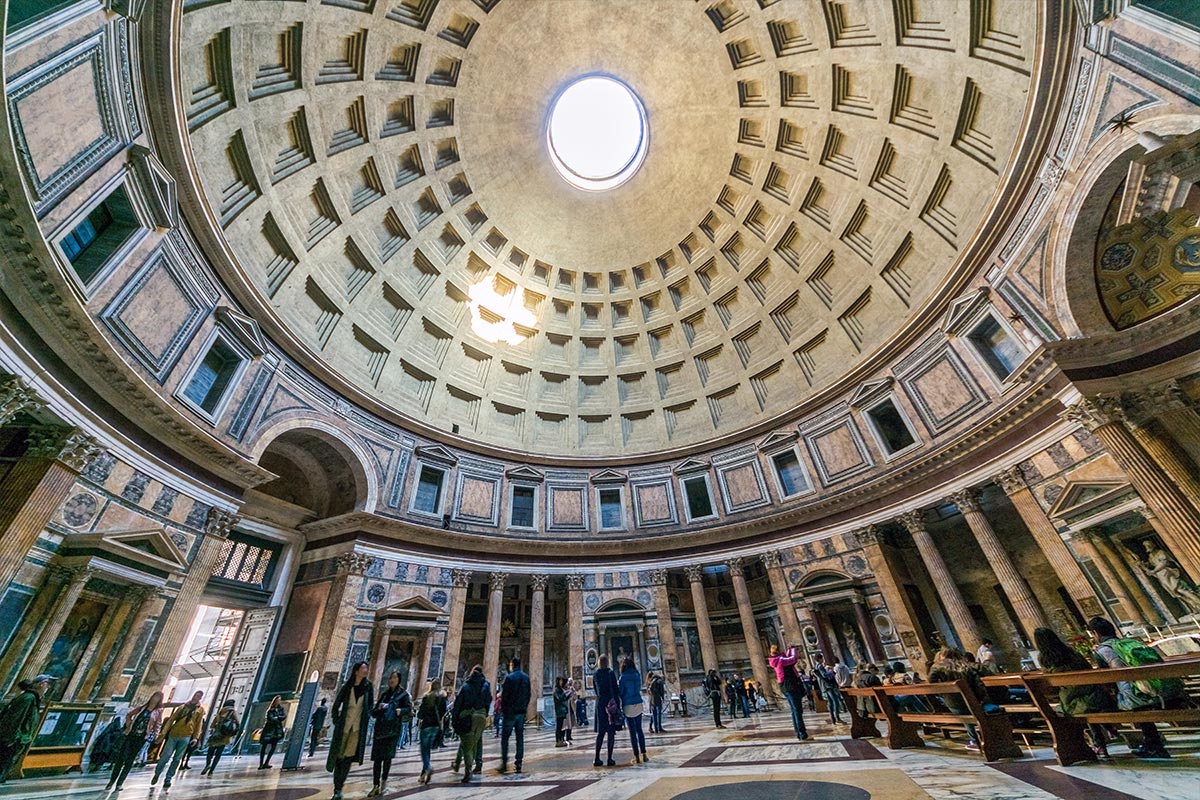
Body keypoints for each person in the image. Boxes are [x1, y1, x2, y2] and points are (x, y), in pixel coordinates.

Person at [1086, 617, 1179, 759]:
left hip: (1137, 696)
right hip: (1161, 689)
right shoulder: (1133, 642)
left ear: (1095, 633)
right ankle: (1151, 742)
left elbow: (1107, 679)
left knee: (1108, 702)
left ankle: (1148, 742)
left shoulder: (1101, 651)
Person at [1032, 627, 1115, 758]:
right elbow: (1088, 670)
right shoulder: (1071, 653)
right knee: (1087, 704)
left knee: (1075, 708)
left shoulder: (1045, 660)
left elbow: (1050, 687)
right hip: (1095, 697)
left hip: (1071, 702)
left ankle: (1098, 744)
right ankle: (1107, 731)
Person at [327, 661, 373, 800]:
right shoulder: (347, 687)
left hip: (357, 729)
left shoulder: (368, 687)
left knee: (347, 757)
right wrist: (337, 720)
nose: (366, 670)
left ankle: (339, 788)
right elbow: (336, 706)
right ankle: (337, 786)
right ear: (356, 671)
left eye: (366, 668)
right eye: (363, 668)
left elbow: (370, 706)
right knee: (338, 757)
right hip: (344, 727)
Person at [928, 647, 990, 751]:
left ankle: (975, 741)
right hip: (973, 698)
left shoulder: (937, 666)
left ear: (942, 655)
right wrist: (981, 697)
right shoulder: (966, 664)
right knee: (971, 711)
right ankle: (982, 738)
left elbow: (931, 682)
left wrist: (942, 693)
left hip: (953, 700)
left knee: (965, 713)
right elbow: (978, 682)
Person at [0, 674, 52, 784]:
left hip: (17, 738)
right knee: (3, 764)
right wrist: (12, 738)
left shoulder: (32, 698)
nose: (48, 688)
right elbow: (14, 719)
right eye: (47, 684)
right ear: (41, 684)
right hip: (12, 739)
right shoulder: (28, 698)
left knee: (6, 765)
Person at [107, 690, 163, 790]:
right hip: (130, 735)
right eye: (154, 696)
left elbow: (157, 725)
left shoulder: (158, 712)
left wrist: (155, 735)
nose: (155, 699)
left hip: (141, 738)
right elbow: (129, 714)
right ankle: (111, 781)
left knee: (130, 760)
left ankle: (119, 783)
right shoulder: (142, 708)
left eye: (157, 697)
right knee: (121, 758)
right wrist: (129, 724)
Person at [151, 690, 205, 788]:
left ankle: (168, 778)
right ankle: (157, 773)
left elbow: (199, 724)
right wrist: (163, 734)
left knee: (177, 759)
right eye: (196, 695)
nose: (197, 697)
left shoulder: (200, 710)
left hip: (186, 736)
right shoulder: (182, 707)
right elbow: (171, 720)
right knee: (165, 757)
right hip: (174, 734)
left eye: (199, 696)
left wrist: (195, 738)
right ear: (193, 695)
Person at [450, 665, 491, 783]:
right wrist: (485, 713)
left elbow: (458, 704)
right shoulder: (486, 685)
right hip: (481, 716)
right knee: (477, 741)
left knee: (467, 745)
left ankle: (468, 771)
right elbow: (488, 700)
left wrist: (454, 719)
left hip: (468, 716)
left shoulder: (466, 686)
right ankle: (478, 764)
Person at [369, 671, 404, 796]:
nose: (391, 679)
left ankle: (384, 783)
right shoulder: (384, 695)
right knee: (377, 760)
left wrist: (400, 711)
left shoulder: (403, 695)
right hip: (380, 730)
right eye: (390, 677)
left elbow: (408, 711)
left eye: (394, 677)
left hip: (392, 730)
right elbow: (373, 712)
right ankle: (375, 785)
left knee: (387, 758)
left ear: (399, 680)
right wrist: (378, 708)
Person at [498, 656, 530, 774]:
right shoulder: (526, 678)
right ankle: (519, 763)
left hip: (510, 713)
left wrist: (504, 710)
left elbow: (505, 696)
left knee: (505, 738)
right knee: (519, 738)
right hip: (521, 713)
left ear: (512, 665)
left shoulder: (509, 678)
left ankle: (504, 763)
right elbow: (528, 694)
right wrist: (524, 708)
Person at [768, 645, 808, 740]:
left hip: (786, 686)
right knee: (797, 710)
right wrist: (793, 649)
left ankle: (799, 732)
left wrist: (789, 650)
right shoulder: (780, 660)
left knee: (795, 710)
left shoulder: (777, 660)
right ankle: (801, 733)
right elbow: (793, 659)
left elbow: (788, 657)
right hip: (790, 685)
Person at [416, 679, 446, 784]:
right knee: (427, 751)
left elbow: (420, 714)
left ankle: (428, 767)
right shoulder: (442, 698)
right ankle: (423, 775)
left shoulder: (426, 697)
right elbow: (443, 712)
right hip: (436, 726)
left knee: (424, 751)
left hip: (426, 726)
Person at [592, 654, 620, 767]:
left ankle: (597, 758)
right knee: (611, 733)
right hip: (610, 705)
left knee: (601, 733)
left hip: (600, 704)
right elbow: (615, 689)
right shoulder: (610, 673)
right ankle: (609, 758)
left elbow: (595, 689)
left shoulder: (595, 674)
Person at [618, 655, 647, 764]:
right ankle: (644, 754)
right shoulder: (637, 675)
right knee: (639, 730)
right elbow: (638, 688)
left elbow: (621, 692)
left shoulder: (623, 677)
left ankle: (637, 757)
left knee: (632, 732)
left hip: (628, 705)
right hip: (638, 703)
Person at [200, 699, 239, 776]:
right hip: (224, 736)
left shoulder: (220, 711)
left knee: (210, 751)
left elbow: (213, 724)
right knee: (218, 754)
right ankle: (211, 770)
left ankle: (207, 764)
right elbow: (238, 723)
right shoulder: (232, 712)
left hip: (216, 734)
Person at [813, 658, 844, 724]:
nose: (823, 660)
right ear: (819, 659)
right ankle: (837, 717)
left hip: (823, 686)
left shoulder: (816, 666)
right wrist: (830, 671)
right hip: (827, 686)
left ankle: (833, 718)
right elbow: (824, 675)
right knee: (835, 701)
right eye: (821, 658)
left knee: (830, 702)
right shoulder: (820, 666)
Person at [259, 695, 286, 769]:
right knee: (264, 746)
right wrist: (278, 718)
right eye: (278, 700)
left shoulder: (281, 709)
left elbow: (283, 716)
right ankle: (261, 763)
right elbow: (270, 718)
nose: (279, 701)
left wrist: (277, 717)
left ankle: (266, 762)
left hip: (277, 730)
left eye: (280, 700)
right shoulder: (270, 710)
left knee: (273, 746)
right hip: (269, 729)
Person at [553, 676, 571, 747]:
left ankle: (562, 739)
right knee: (559, 726)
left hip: (563, 710)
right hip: (559, 710)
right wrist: (565, 693)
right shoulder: (557, 690)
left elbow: (564, 698)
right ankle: (558, 741)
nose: (561, 682)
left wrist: (569, 694)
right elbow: (560, 698)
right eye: (560, 681)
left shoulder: (560, 690)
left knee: (563, 726)